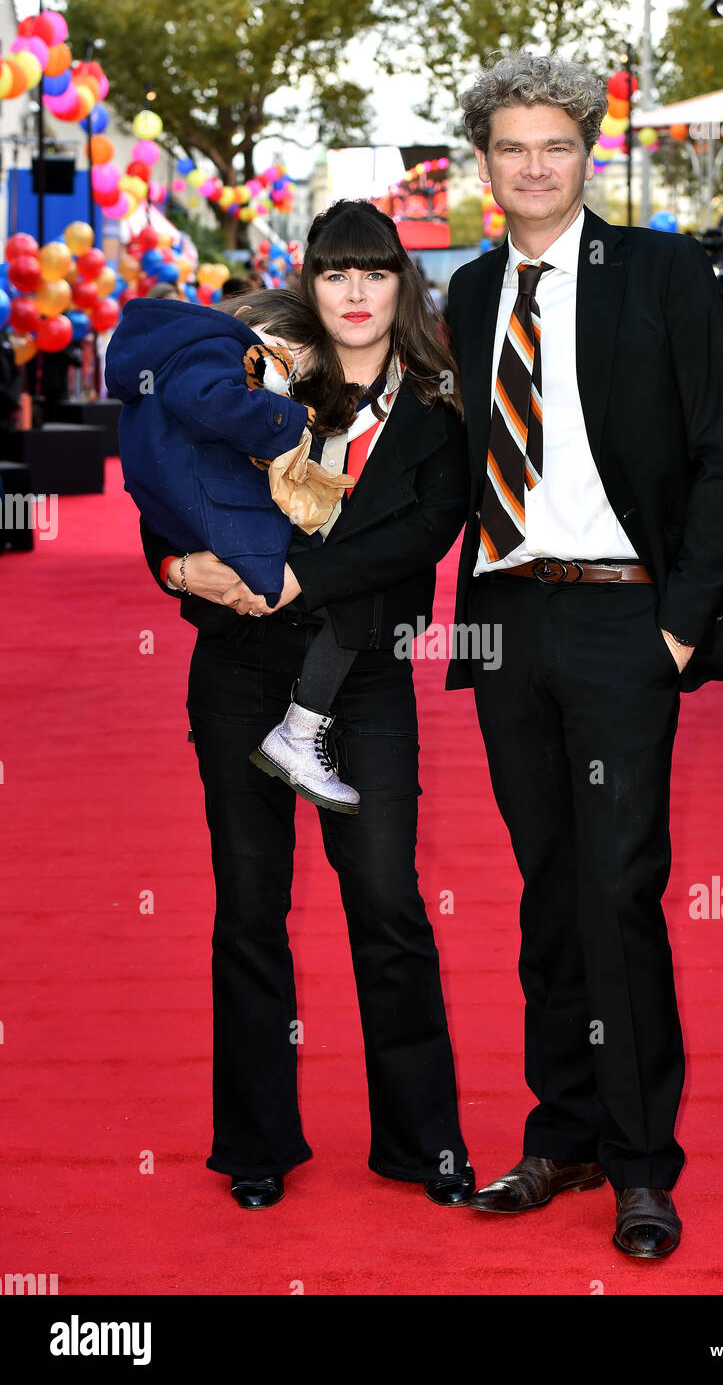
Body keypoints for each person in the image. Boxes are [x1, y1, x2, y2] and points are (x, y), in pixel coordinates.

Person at [445, 49, 723, 1257]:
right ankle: (561, 1132)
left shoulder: (661, 270)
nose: (535, 166)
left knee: (617, 887)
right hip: (509, 621)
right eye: (512, 148)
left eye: (556, 146)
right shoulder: (470, 293)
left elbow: (721, 449)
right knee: (546, 892)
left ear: (587, 153)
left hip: (627, 621)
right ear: (484, 163)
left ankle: (641, 1161)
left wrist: (680, 621)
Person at [134, 199, 475, 1211]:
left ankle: (422, 1142)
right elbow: (166, 481)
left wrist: (295, 582)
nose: (356, 291)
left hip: (362, 676)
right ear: (311, 282)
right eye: (336, 273)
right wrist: (176, 565)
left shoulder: (436, 401)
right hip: (236, 668)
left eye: (375, 272)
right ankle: (254, 1142)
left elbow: (422, 533)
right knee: (249, 908)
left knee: (386, 901)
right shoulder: (257, 372)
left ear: (400, 284)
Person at [106, 288, 365, 811]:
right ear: (248, 320)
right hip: (234, 600)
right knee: (341, 603)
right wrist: (292, 422)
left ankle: (286, 728)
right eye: (285, 354)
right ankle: (293, 731)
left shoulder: (172, 357)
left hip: (205, 534)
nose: (284, 375)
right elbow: (207, 406)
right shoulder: (216, 348)